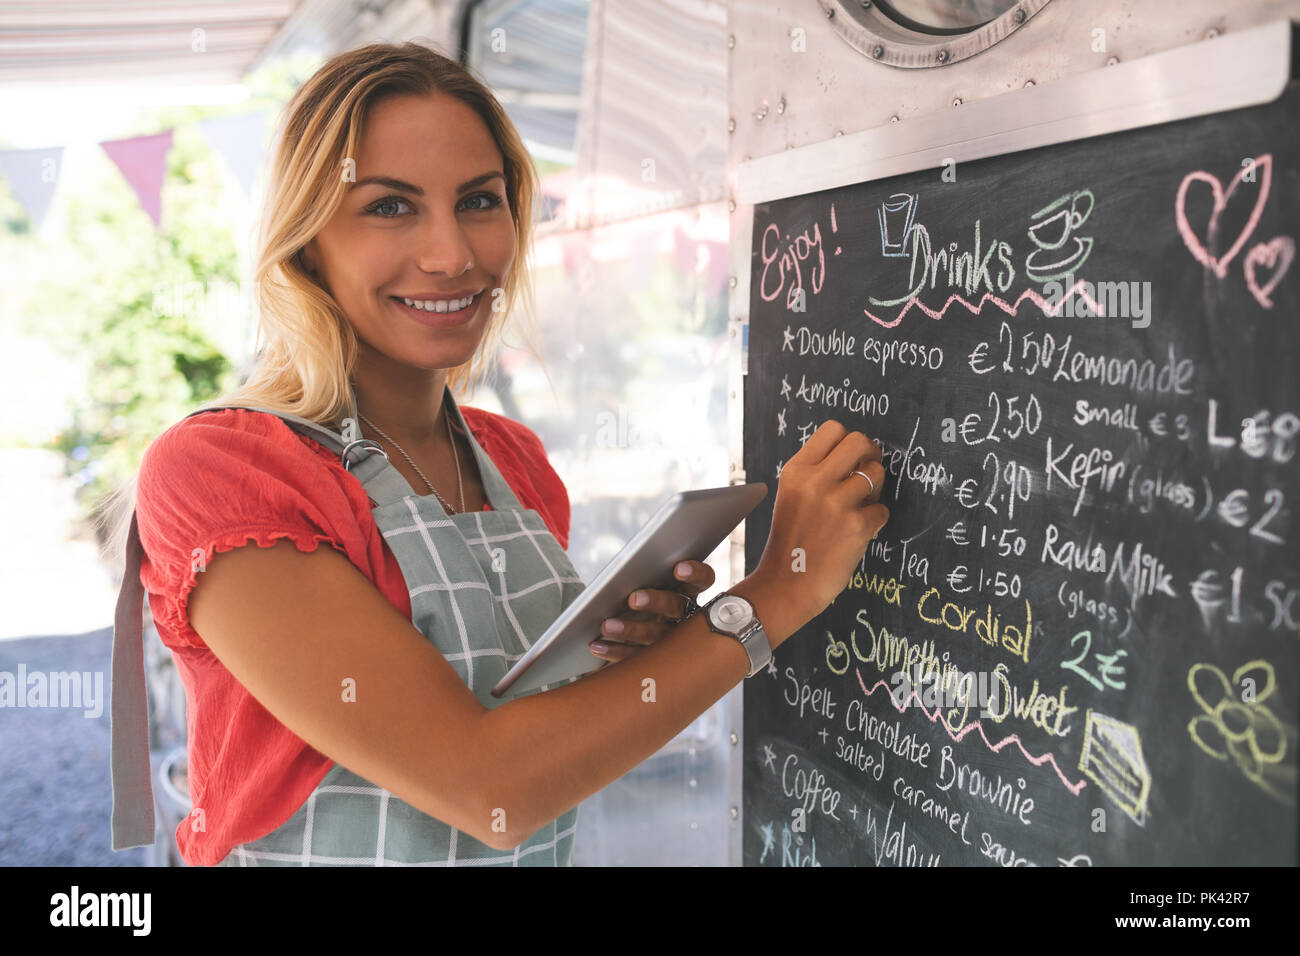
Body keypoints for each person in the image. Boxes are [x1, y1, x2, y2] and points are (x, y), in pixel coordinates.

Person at [106, 41, 889, 867]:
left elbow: (535, 741)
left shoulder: (513, 462)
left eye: (480, 200)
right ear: (306, 242)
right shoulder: (225, 469)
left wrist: (635, 658)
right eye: (389, 207)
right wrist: (778, 592)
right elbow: (494, 789)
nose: (453, 254)